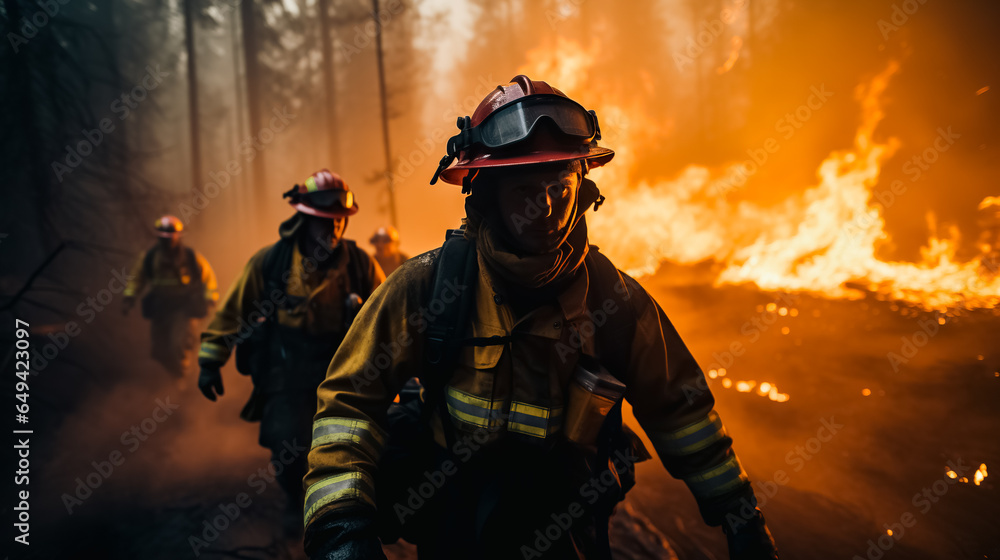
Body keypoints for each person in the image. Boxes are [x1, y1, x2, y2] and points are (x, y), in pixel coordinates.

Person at [302, 77, 778, 559]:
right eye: (525, 190)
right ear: (486, 198)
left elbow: (683, 414)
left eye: (561, 187)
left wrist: (741, 516)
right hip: (455, 519)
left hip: (568, 524)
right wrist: (340, 526)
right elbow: (348, 405)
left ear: (585, 189)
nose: (547, 208)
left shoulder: (615, 301)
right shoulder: (429, 287)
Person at [196, 169, 385, 535]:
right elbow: (233, 311)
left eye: (339, 223)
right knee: (287, 443)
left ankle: (341, 510)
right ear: (303, 220)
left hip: (341, 369)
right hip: (285, 369)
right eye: (323, 223)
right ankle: (294, 502)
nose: (332, 231)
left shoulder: (361, 265)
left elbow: (391, 317)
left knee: (346, 442)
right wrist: (209, 360)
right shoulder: (270, 264)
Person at [123, 215, 218, 386]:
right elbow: (136, 279)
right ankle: (172, 381)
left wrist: (210, 298)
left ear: (178, 236)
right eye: (164, 237)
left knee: (178, 345)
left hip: (184, 309)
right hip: (161, 309)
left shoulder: (190, 257)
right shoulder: (150, 258)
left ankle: (182, 382)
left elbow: (208, 277)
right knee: (158, 351)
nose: (168, 241)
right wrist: (129, 298)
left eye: (171, 236)